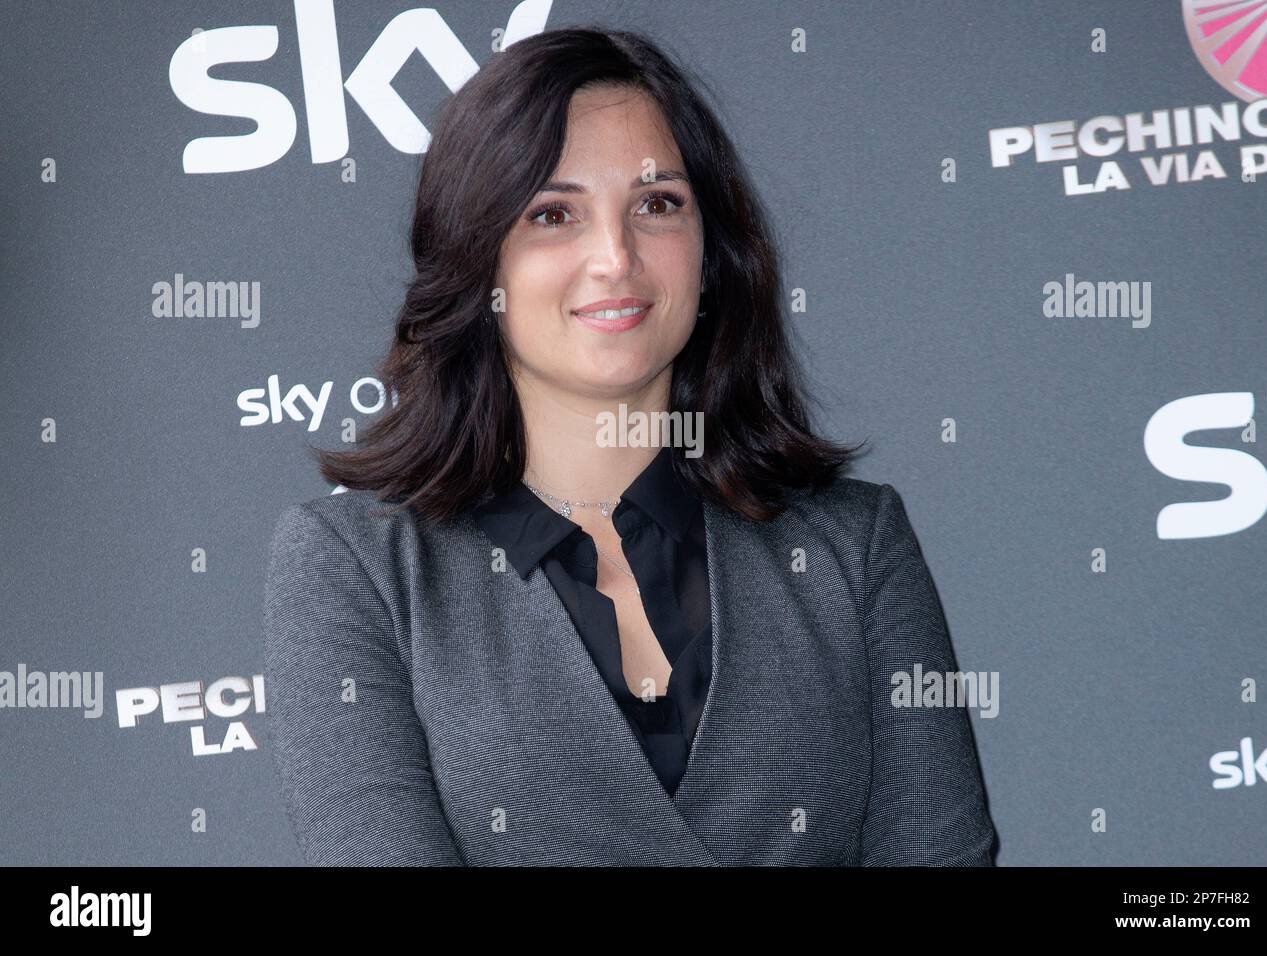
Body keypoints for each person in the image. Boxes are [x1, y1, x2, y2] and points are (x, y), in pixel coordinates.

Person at [262, 26, 997, 866]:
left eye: (657, 204)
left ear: (712, 252)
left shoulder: (854, 546)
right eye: (552, 214)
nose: (615, 257)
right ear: (478, 263)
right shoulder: (357, 568)